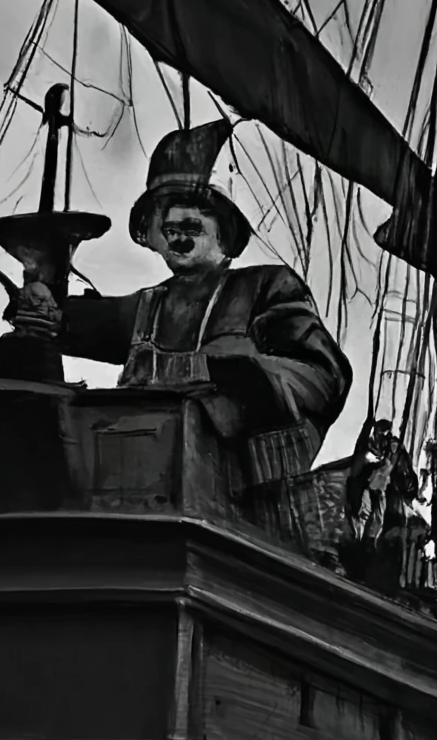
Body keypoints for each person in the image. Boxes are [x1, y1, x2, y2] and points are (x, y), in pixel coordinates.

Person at [42, 119, 352, 487]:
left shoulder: (267, 287)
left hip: (239, 493)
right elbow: (75, 322)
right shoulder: (149, 305)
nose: (178, 241)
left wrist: (220, 372)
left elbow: (323, 377)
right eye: (170, 231)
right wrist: (44, 302)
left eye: (192, 229)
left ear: (225, 230)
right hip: (132, 478)